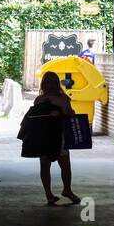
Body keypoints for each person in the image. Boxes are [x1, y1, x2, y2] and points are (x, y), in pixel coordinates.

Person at [29, 71, 80, 205]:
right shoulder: (39, 100)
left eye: (53, 82)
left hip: (60, 137)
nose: (50, 85)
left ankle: (67, 190)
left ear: (57, 84)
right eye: (47, 82)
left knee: (65, 166)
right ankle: (49, 194)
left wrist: (63, 113)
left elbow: (71, 115)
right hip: (44, 137)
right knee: (45, 165)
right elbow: (35, 119)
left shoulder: (63, 99)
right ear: (43, 84)